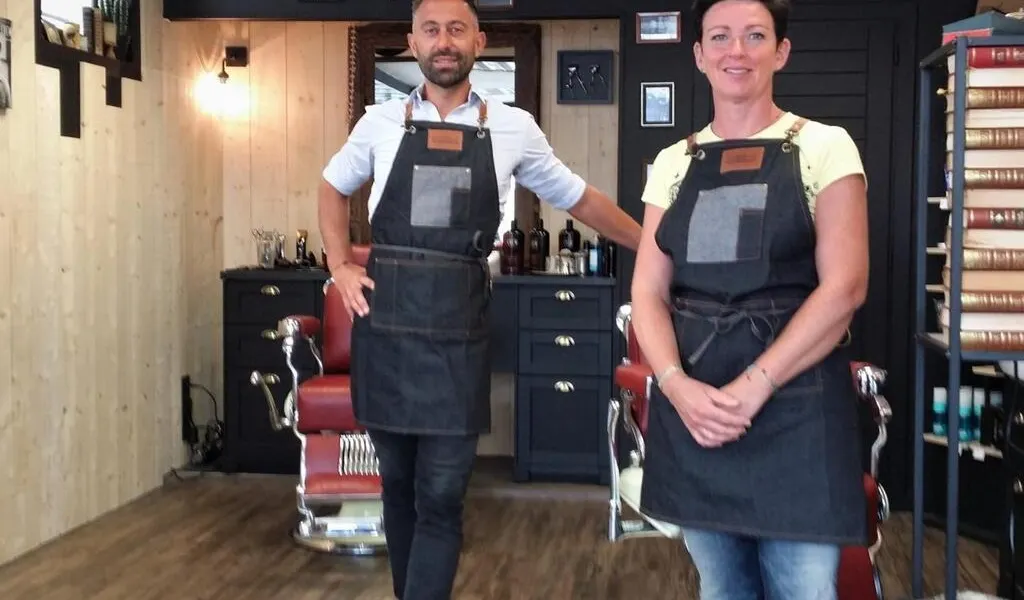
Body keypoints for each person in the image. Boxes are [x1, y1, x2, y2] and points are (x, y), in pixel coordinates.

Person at [317, 0, 641, 598]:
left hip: (456, 327)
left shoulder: (513, 126)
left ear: (478, 41)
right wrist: (339, 265)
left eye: (457, 29)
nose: (444, 41)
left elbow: (579, 199)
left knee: (441, 493)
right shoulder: (377, 123)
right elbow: (332, 188)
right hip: (386, 325)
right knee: (397, 485)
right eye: (432, 30)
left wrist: (649, 243)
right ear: (413, 43)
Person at [630, 0, 870, 598]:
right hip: (698, 407)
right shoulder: (672, 162)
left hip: (797, 409)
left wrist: (756, 385)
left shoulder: (824, 146)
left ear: (781, 52)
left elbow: (845, 288)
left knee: (804, 588)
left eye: (755, 36)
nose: (736, 51)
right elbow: (648, 291)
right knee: (722, 585)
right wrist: (675, 385)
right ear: (700, 55)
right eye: (721, 37)